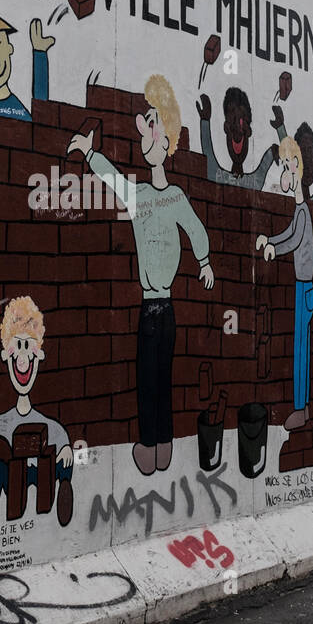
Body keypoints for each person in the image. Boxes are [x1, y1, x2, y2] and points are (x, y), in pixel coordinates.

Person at [68, 74, 213, 475]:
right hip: (152, 308)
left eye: (151, 127)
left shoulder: (175, 197)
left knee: (159, 379)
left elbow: (197, 229)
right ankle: (152, 444)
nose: (143, 136)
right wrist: (90, 154)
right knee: (147, 379)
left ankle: (157, 445)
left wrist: (204, 262)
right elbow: (113, 179)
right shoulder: (141, 196)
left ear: (166, 142)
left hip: (162, 309)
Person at [0, 296, 73, 541]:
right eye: (18, 347)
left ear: (38, 354)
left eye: (29, 347)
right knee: (0, 470)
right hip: (19, 474)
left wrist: (67, 447)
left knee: (61, 464)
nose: (23, 357)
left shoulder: (44, 422)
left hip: (43, 471)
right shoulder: (9, 420)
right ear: (7, 355)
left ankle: (64, 490)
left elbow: (57, 432)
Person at [257, 138, 313, 431]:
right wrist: (270, 241)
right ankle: (301, 407)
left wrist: (274, 249)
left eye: (285, 165)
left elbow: (293, 240)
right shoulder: (299, 211)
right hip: (301, 288)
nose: (283, 173)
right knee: (299, 350)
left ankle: (301, 409)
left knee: (301, 351)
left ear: (295, 167)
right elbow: (287, 234)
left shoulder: (303, 211)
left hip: (305, 289)